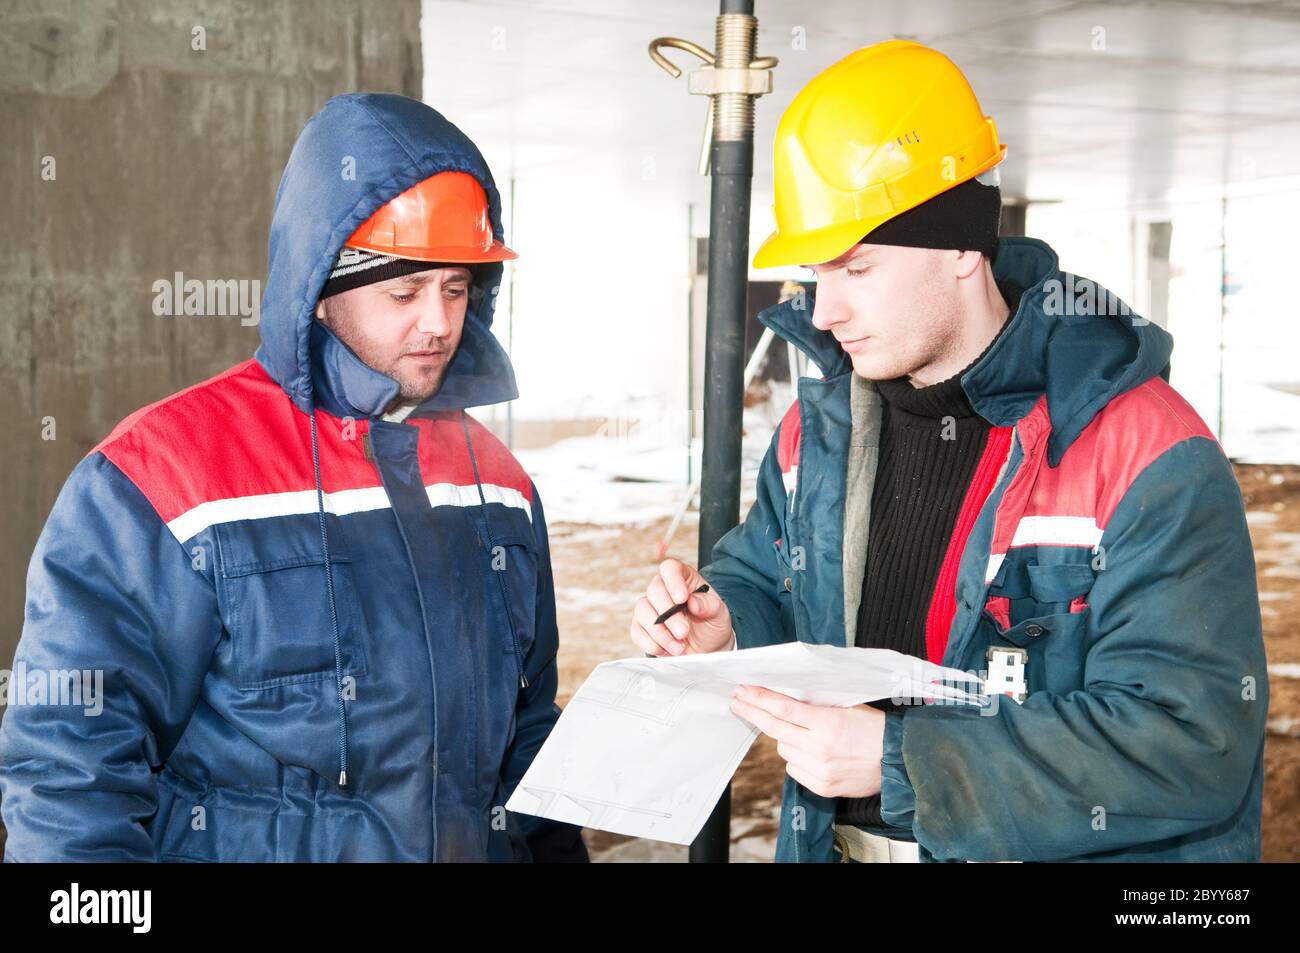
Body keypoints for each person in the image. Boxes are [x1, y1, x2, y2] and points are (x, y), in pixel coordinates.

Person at [631, 40, 1267, 863]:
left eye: (856, 268)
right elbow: (771, 577)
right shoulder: (821, 426)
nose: (823, 312)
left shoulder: (1141, 450)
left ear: (964, 248)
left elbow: (1191, 740)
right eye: (815, 273)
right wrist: (726, 623)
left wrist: (905, 762)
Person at [0, 93, 587, 863]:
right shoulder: (161, 477)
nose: (440, 323)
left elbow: (528, 743)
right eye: (404, 292)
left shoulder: (498, 485)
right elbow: (69, 774)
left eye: (456, 287)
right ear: (319, 287)